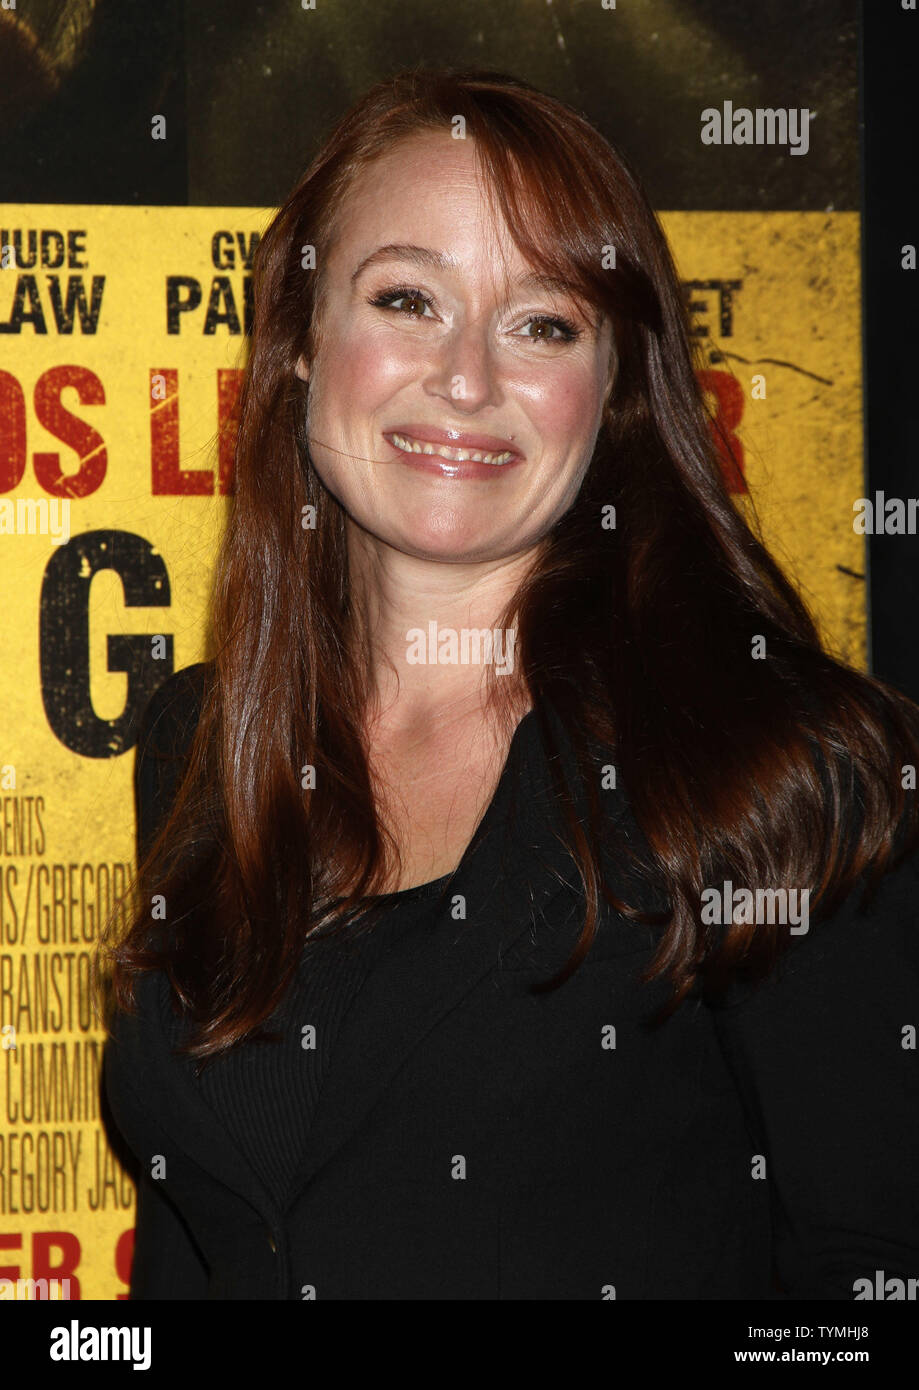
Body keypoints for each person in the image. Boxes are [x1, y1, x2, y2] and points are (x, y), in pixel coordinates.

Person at [99, 67, 919, 1301]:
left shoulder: (771, 762)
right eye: (408, 298)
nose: (466, 378)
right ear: (299, 339)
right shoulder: (203, 743)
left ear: (617, 388)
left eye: (543, 321)